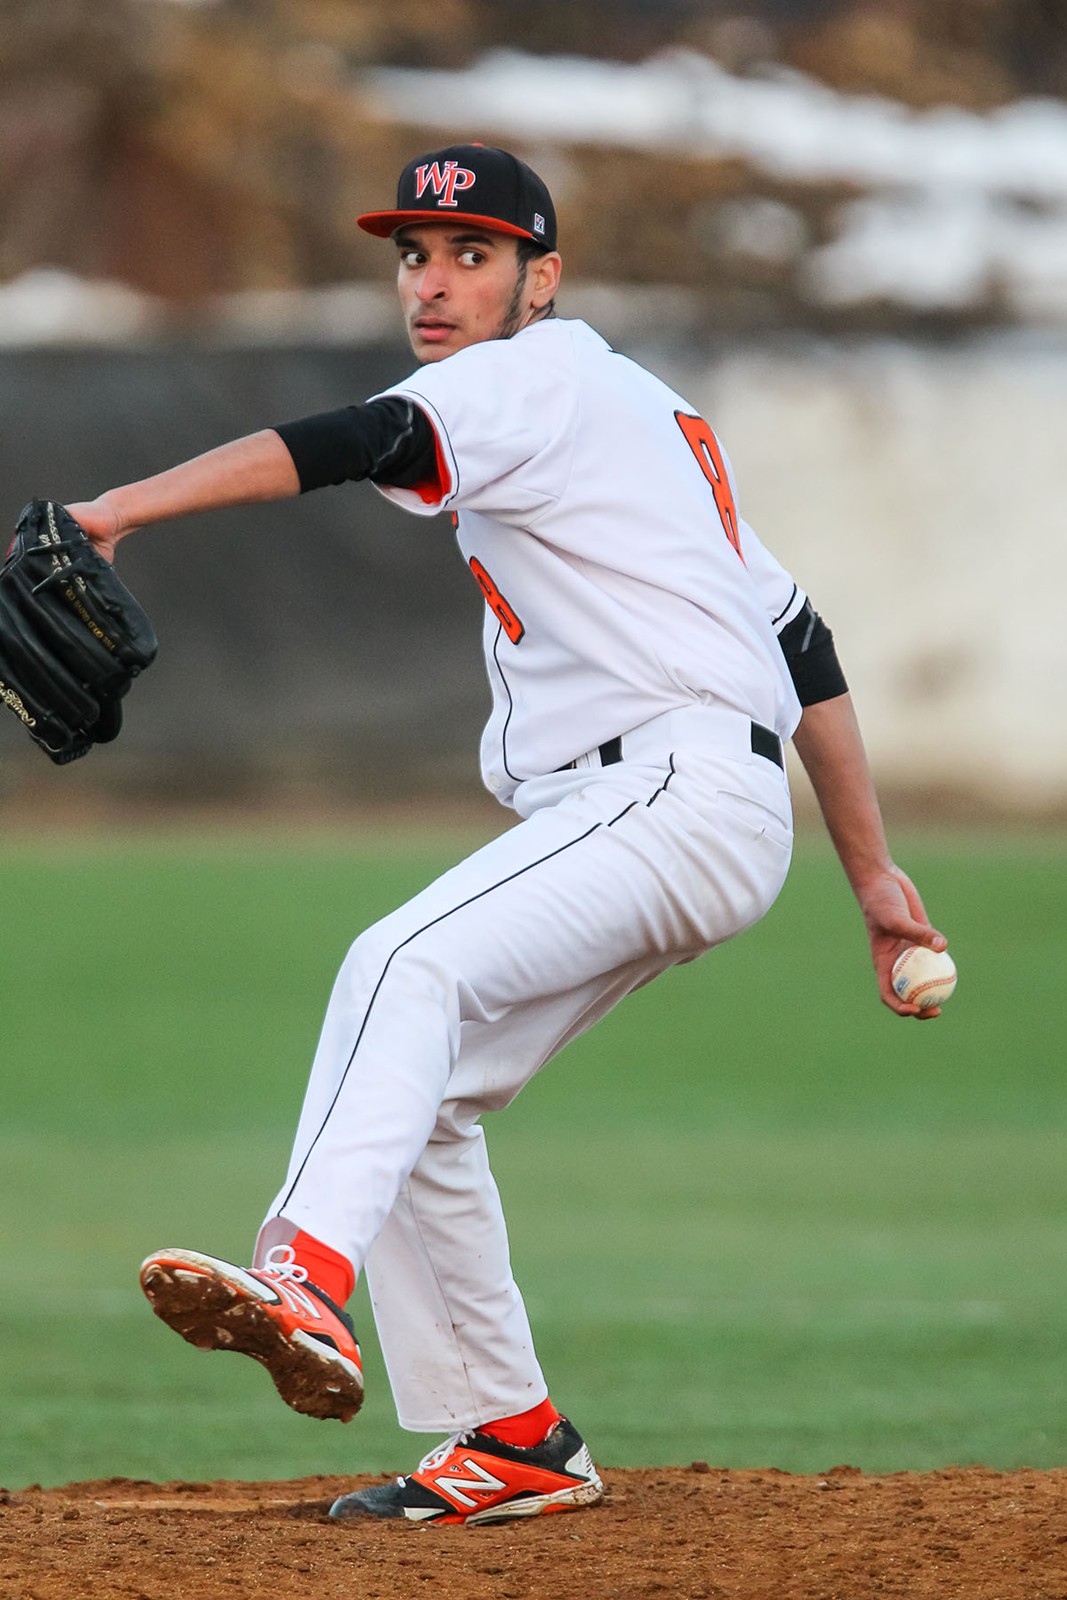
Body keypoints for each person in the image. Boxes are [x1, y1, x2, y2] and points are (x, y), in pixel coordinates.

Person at [64, 144, 948, 1528]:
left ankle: (301, 1271)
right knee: (419, 1099)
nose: (432, 281)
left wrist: (119, 507)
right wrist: (877, 880)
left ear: (544, 278)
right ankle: (516, 1434)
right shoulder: (640, 411)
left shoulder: (523, 376)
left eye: (471, 254)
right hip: (702, 804)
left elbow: (360, 443)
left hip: (664, 789)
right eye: (414, 255)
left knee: (397, 965)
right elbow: (803, 641)